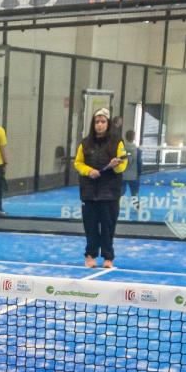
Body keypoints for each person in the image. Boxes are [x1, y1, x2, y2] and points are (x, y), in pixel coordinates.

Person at [73, 106, 127, 268]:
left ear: (108, 123)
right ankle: (90, 256)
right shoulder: (85, 143)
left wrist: (115, 165)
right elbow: (78, 163)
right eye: (97, 122)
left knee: (108, 226)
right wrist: (89, 171)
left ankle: (108, 258)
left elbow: (123, 164)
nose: (100, 125)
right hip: (89, 192)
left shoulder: (118, 142)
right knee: (90, 226)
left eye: (103, 122)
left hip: (109, 193)